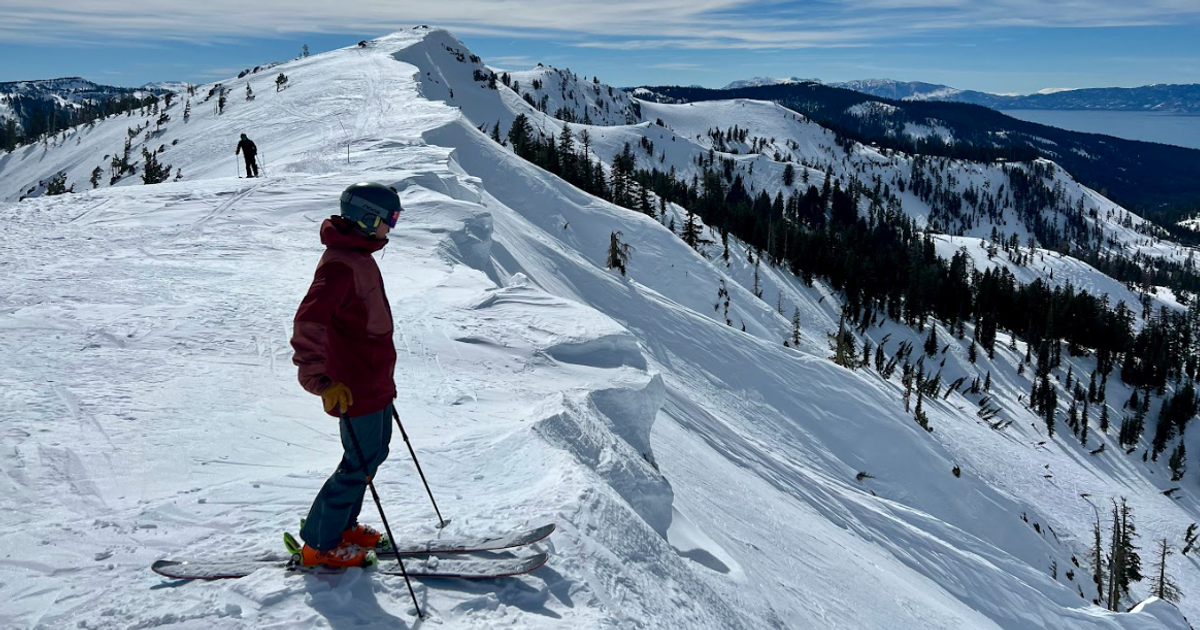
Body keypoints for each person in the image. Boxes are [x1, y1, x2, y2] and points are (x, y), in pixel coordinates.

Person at [290, 182, 404, 568]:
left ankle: (342, 525)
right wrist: (319, 381)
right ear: (368, 219)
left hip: (372, 382)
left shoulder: (356, 255)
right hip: (352, 388)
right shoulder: (341, 265)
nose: (392, 226)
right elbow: (309, 323)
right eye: (391, 219)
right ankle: (320, 544)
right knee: (358, 464)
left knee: (371, 456)